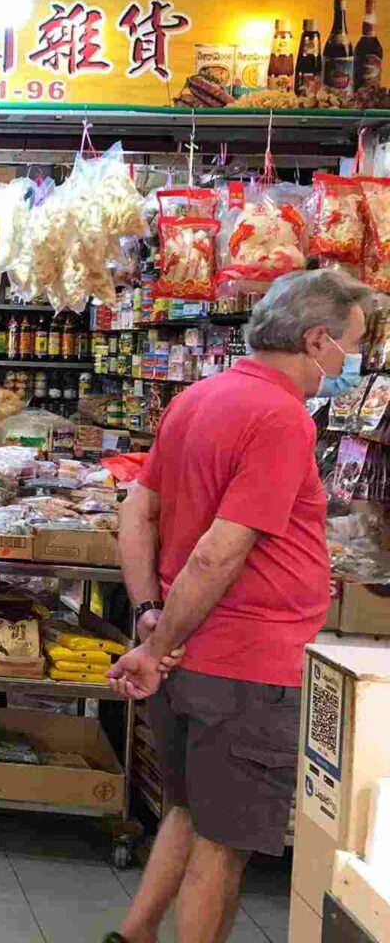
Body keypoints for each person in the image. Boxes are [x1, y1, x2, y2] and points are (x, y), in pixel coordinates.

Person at [105, 269, 370, 943]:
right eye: (355, 344)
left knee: (189, 810)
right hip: (248, 669)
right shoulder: (279, 417)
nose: (356, 361)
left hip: (189, 656)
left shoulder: (200, 396)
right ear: (317, 339)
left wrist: (149, 618)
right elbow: (218, 552)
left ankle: (132, 935)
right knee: (223, 851)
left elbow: (139, 509)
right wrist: (158, 645)